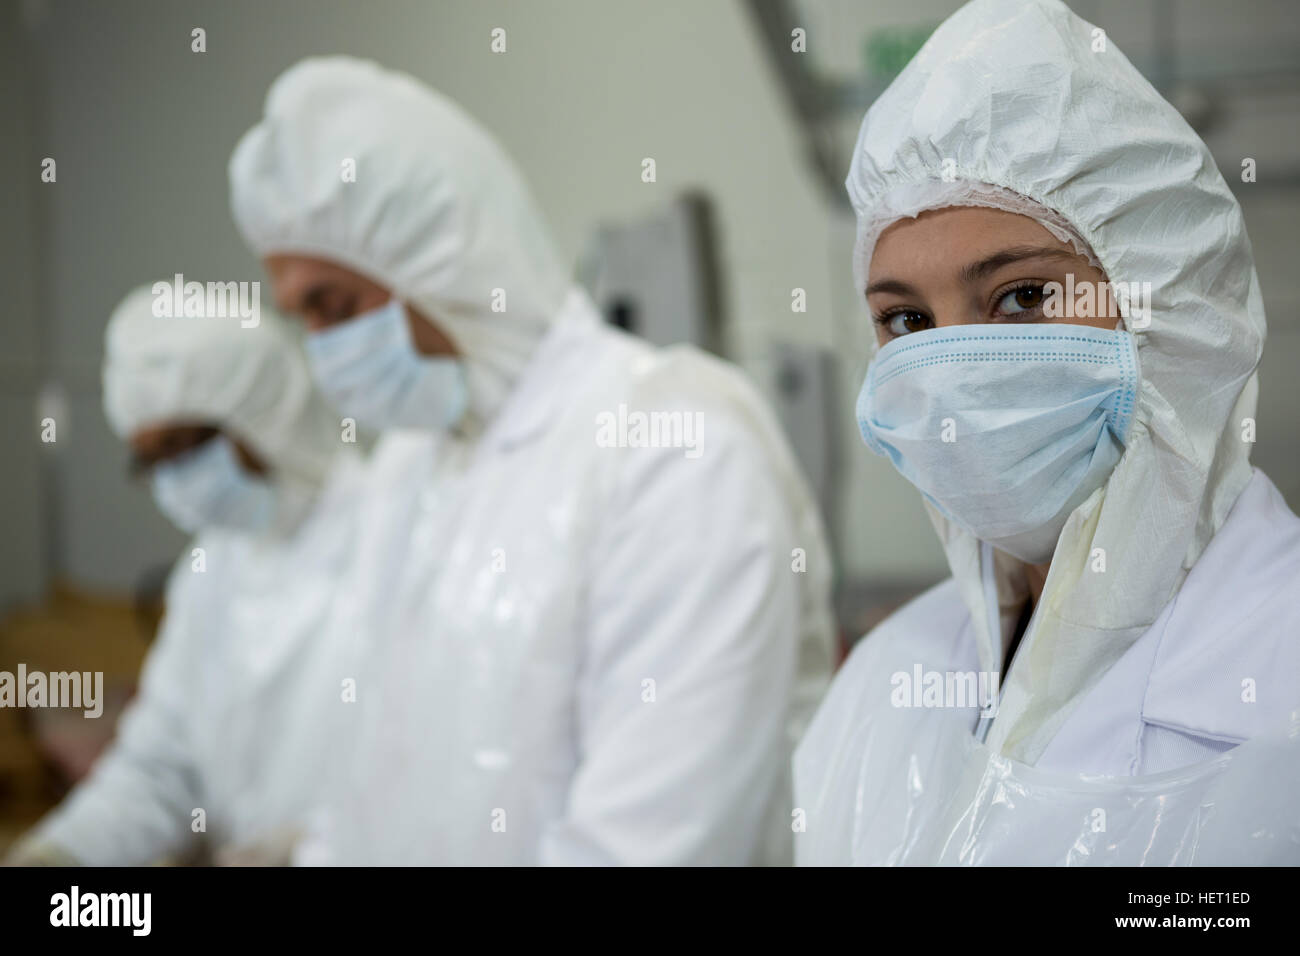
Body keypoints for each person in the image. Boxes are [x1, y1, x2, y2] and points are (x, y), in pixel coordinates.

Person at [227, 57, 836, 865]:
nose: (322, 350)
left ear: (440, 263)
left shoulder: (677, 450)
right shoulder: (410, 469)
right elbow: (374, 778)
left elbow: (651, 846)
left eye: (335, 305)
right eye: (301, 316)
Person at [795, 0, 1300, 865]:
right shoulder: (880, 685)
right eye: (907, 320)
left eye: (1023, 297)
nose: (953, 374)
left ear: (1172, 313)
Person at [5, 285, 361, 866]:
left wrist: (312, 849)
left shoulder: (393, 537)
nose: (175, 479)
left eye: (185, 446)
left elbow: (433, 772)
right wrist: (62, 853)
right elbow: (160, 766)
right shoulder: (213, 569)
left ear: (263, 415)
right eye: (151, 460)